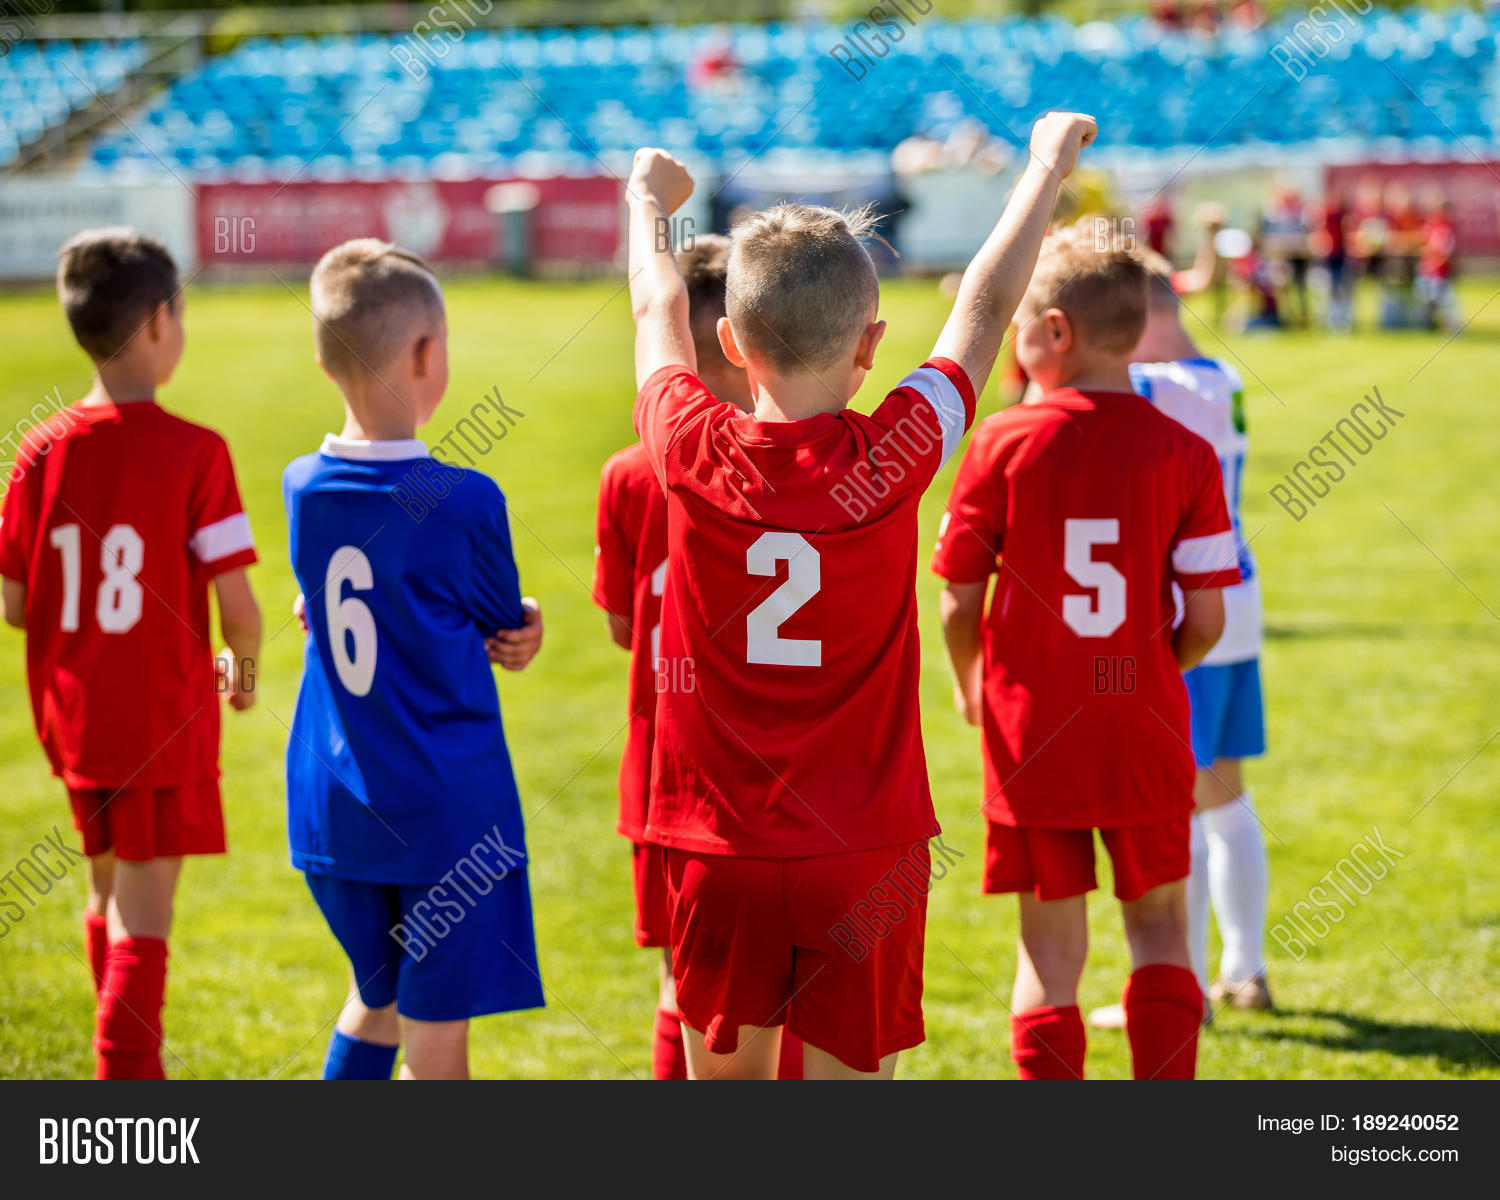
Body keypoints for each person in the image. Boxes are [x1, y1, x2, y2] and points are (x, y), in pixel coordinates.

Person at [624, 112, 1097, 1079]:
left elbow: (653, 309)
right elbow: (985, 303)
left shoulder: (686, 445)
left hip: (720, 847)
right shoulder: (894, 454)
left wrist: (646, 206)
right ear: (872, 343)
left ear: (731, 341)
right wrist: (1044, 168)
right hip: (864, 847)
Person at [932, 218, 1239, 1081]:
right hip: (1142, 722)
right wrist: (1151, 671)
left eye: (1017, 323)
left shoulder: (1000, 443)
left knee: (1049, 946)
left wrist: (972, 682)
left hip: (1033, 728)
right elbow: (1207, 618)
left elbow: (958, 597)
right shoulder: (1186, 450)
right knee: (1162, 927)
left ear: (1055, 332)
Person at [0, 228, 261, 1079]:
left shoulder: (38, 450)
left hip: (77, 722)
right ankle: (126, 1096)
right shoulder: (196, 450)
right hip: (159, 723)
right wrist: (239, 677)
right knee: (144, 921)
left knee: (106, 893)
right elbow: (239, 611)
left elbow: (15, 605)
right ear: (158, 322)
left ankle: (119, 1062)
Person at [283, 238, 544, 1080]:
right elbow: (501, 624)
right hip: (441, 812)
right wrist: (529, 625)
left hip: (333, 806)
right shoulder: (466, 499)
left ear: (325, 361)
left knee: (379, 997)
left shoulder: (302, 486)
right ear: (428, 355)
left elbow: (330, 599)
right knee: (436, 1036)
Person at [593, 233, 802, 1079]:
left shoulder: (629, 472)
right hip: (777, 769)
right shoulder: (797, 467)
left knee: (684, 985)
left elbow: (622, 626)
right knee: (789, 988)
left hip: (666, 776)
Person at [1088, 248, 1273, 1033]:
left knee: (1180, 808)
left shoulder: (1156, 386)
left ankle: (1185, 988)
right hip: (1238, 602)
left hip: (1185, 611)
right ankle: (1246, 970)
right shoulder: (1222, 377)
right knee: (1226, 797)